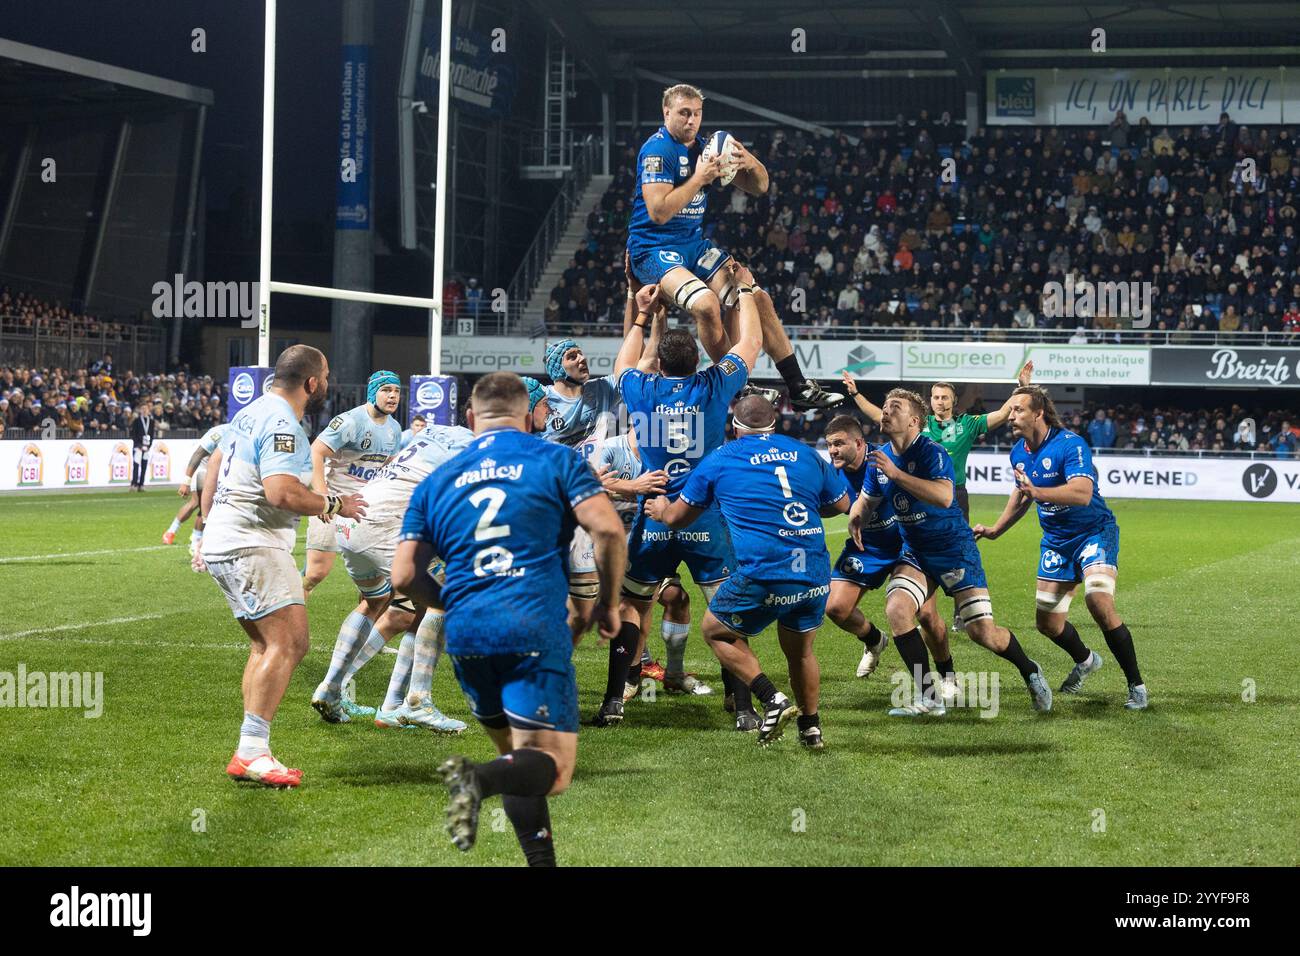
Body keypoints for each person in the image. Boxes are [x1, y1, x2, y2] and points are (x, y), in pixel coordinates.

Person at [392, 372, 626, 866]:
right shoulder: (556, 459)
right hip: (533, 626)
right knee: (551, 769)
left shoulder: (439, 480)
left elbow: (403, 575)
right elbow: (608, 531)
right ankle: (476, 780)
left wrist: (448, 602)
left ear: (471, 419)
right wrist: (606, 604)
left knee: (518, 755)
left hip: (468, 635)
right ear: (529, 415)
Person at [200, 345, 366, 787]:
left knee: (265, 646)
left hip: (226, 537)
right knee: (291, 643)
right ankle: (254, 752)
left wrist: (204, 523)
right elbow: (280, 493)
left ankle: (248, 750)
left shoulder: (248, 412)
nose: (327, 383)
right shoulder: (281, 421)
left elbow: (213, 466)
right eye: (325, 375)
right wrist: (334, 503)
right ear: (312, 382)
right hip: (252, 542)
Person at [647, 395, 851, 748]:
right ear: (774, 422)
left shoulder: (720, 459)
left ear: (735, 426)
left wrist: (662, 509)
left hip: (765, 572)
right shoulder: (803, 452)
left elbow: (678, 518)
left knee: (715, 630)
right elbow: (842, 504)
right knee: (800, 652)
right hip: (815, 572)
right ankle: (811, 728)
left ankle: (772, 698)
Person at [609, 260, 762, 729]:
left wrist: (641, 315)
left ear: (660, 363)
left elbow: (623, 364)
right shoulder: (714, 387)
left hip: (654, 516)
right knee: (725, 609)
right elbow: (751, 344)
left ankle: (613, 701)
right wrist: (748, 289)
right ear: (697, 360)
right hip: (704, 518)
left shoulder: (642, 389)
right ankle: (743, 708)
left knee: (632, 605)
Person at [626, 83, 841, 410]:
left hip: (693, 245)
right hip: (652, 248)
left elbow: (761, 187)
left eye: (697, 114)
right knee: (706, 304)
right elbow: (658, 212)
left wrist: (748, 160)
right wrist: (700, 178)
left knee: (754, 295)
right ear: (666, 112)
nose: (691, 121)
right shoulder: (657, 151)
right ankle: (740, 388)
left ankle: (798, 386)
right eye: (684, 113)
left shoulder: (705, 148)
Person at [848, 389, 1053, 715]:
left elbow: (944, 497)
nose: (885, 413)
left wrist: (898, 474)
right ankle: (930, 697)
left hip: (954, 549)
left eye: (894, 408)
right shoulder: (880, 460)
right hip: (915, 551)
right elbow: (866, 501)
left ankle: (1030, 670)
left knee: (982, 633)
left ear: (914, 421)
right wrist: (856, 517)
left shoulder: (932, 453)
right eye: (884, 407)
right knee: (897, 609)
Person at [974, 386, 1149, 710]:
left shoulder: (1070, 445)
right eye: (1010, 410)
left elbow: (1082, 492)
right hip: (1056, 541)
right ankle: (1085, 660)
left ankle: (1136, 685)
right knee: (1048, 625)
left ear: (1038, 413)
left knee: (1098, 602)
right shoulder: (1019, 452)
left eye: (1018, 410)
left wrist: (1039, 492)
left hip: (1094, 532)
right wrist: (997, 528)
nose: (1010, 416)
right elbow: (1022, 493)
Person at [312, 420, 476, 733]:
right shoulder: (473, 445)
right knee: (444, 598)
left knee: (378, 602)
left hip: (352, 521)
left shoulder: (428, 433)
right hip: (381, 524)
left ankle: (336, 688)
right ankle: (416, 701)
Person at [821, 415, 953, 701]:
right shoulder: (832, 473)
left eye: (839, 444)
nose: (833, 451)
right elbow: (830, 504)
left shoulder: (886, 461)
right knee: (835, 608)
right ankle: (874, 641)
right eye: (830, 445)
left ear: (859, 443)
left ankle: (946, 675)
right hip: (866, 546)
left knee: (928, 616)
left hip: (907, 545)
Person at [303, 371, 403, 603]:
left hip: (367, 508)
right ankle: (287, 626)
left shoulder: (395, 429)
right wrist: (322, 496)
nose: (393, 396)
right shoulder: (350, 421)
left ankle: (366, 636)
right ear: (372, 393)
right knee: (316, 573)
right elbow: (316, 451)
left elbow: (388, 467)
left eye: (397, 391)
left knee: (375, 581)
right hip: (335, 503)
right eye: (386, 390)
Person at [164, 422, 224, 558]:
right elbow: (198, 454)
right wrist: (186, 481)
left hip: (211, 470)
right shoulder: (221, 432)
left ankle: (173, 532)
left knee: (198, 504)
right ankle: (193, 540)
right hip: (202, 468)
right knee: (200, 505)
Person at [130, 401, 157, 492]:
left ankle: (141, 484)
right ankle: (134, 484)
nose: (145, 411)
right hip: (138, 447)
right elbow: (133, 434)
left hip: (146, 447)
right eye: (143, 409)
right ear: (140, 410)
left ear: (148, 410)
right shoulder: (137, 421)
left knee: (144, 466)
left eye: (146, 409)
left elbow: (152, 435)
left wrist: (148, 446)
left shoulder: (151, 421)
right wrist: (139, 445)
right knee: (136, 465)